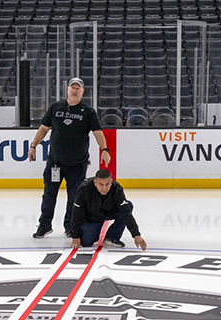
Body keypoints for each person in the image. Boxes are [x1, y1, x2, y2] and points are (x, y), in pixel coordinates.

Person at [28, 77, 109, 239]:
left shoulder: (88, 112)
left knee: (75, 197)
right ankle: (44, 225)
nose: (75, 90)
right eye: (72, 87)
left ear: (83, 91)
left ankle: (70, 226)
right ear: (67, 89)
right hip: (55, 163)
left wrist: (104, 149)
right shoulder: (56, 107)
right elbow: (44, 128)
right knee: (49, 195)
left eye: (78, 88)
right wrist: (33, 145)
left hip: (77, 164)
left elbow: (98, 132)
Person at [68, 169, 146, 251]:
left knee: (128, 205)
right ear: (95, 183)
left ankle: (111, 237)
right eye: (101, 185)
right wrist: (75, 235)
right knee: (86, 243)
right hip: (92, 217)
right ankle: (85, 229)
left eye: (107, 184)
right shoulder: (85, 188)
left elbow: (126, 212)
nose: (104, 188)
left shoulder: (116, 188)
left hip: (108, 212)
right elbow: (77, 212)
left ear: (111, 182)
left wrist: (136, 235)